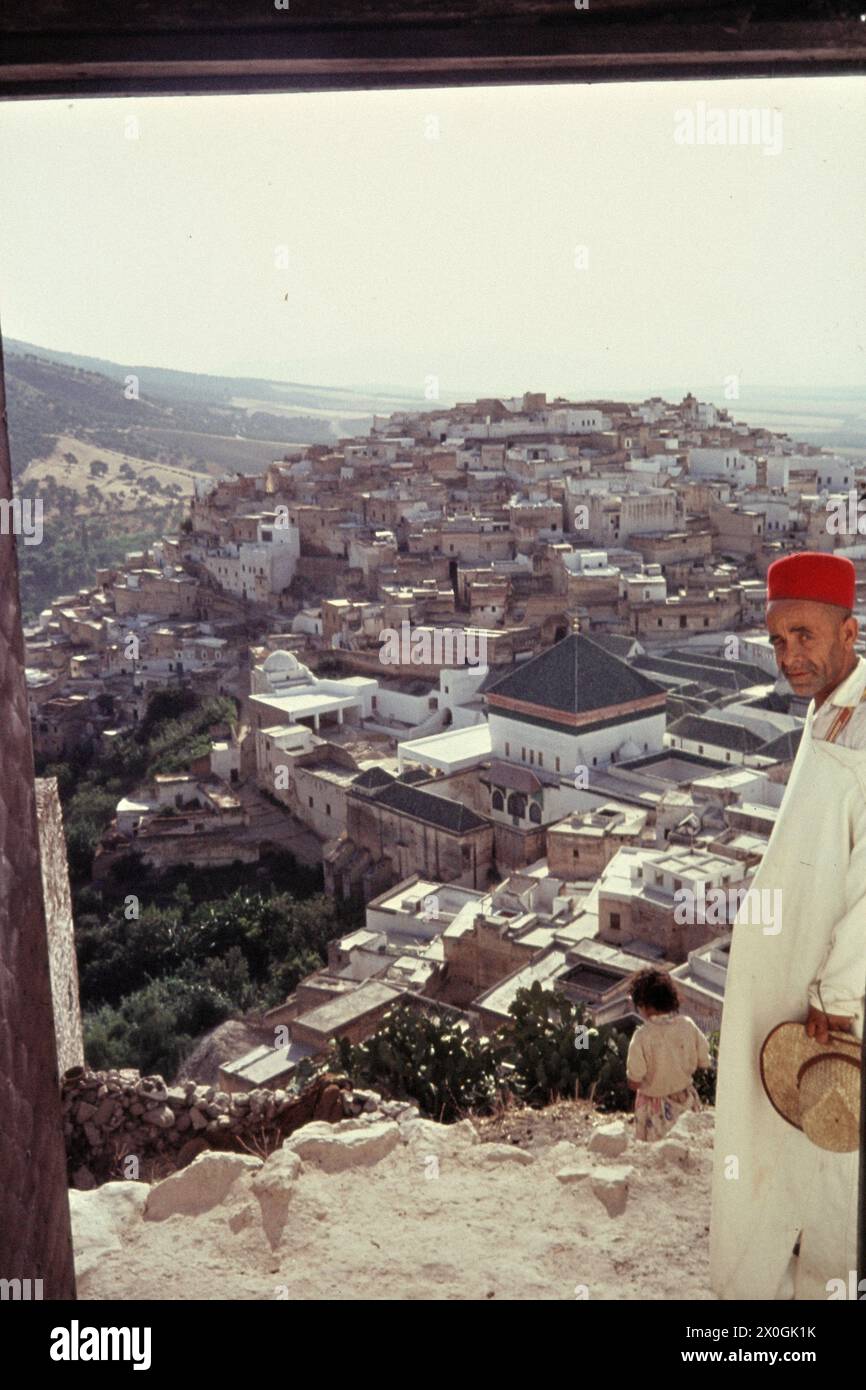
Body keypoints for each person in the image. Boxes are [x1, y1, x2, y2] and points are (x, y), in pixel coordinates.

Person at [710, 550, 866, 1301]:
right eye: (776, 641)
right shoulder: (828, 711)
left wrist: (839, 995)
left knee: (833, 1163)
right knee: (786, 1160)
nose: (789, 656)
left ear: (849, 630)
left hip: (831, 1008)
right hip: (790, 988)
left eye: (804, 635)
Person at [626, 967, 711, 1142]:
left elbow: (634, 1082)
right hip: (687, 1101)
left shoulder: (642, 1036)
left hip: (655, 1109)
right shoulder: (687, 1025)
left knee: (659, 1154)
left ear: (643, 1005)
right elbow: (705, 1060)